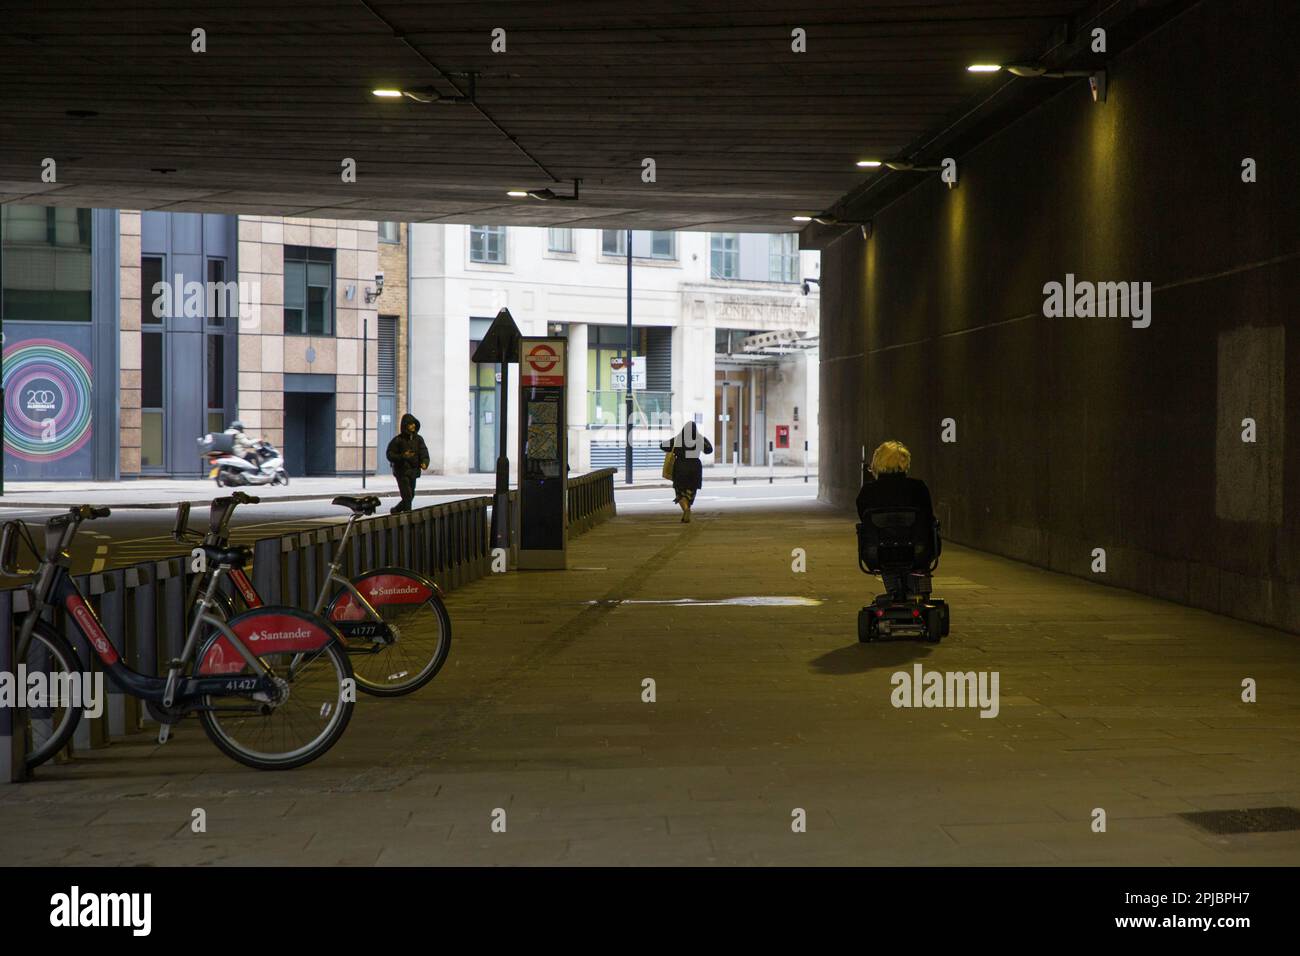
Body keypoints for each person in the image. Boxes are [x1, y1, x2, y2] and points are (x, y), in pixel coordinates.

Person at [856, 440, 934, 598]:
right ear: (905, 462)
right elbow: (928, 518)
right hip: (917, 551)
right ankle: (919, 591)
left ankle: (893, 592)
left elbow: (865, 520)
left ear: (877, 462)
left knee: (887, 561)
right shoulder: (918, 488)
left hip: (877, 553)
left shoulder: (868, 491)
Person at [659, 420, 713, 523]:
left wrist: (675, 450)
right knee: (691, 491)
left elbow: (662, 446)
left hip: (681, 468)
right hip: (695, 468)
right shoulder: (699, 439)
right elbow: (709, 450)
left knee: (680, 492)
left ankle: (686, 509)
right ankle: (687, 510)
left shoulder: (678, 439)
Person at [386, 413, 429, 513]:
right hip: (402, 472)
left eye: (414, 424)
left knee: (411, 495)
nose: (413, 426)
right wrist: (402, 456)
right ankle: (408, 516)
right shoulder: (398, 440)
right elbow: (390, 454)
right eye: (410, 424)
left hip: (413, 471)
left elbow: (424, 452)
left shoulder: (419, 439)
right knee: (407, 496)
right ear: (405, 426)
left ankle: (396, 510)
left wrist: (424, 462)